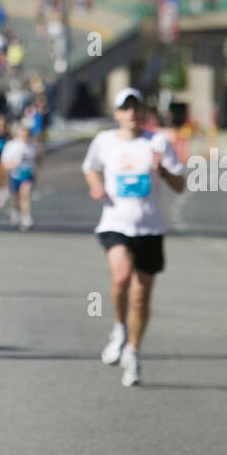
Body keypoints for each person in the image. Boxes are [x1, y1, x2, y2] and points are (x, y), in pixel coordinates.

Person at [82, 88, 185, 387]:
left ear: (142, 112)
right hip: (115, 223)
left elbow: (180, 185)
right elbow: (90, 168)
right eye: (124, 109)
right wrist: (96, 186)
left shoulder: (158, 143)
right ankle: (118, 327)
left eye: (135, 108)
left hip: (150, 229)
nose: (130, 114)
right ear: (116, 114)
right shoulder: (104, 142)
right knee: (121, 278)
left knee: (141, 297)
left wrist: (163, 171)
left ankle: (133, 352)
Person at [0, 123, 38, 231]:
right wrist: (13, 165)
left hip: (27, 176)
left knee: (25, 195)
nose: (25, 136)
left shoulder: (33, 146)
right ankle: (15, 210)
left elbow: (36, 162)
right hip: (15, 175)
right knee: (16, 197)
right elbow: (4, 162)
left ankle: (26, 217)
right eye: (22, 133)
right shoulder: (11, 145)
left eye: (26, 133)